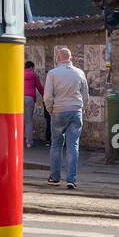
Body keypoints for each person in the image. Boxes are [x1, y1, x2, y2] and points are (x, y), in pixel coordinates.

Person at [44, 47, 89, 189]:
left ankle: (55, 177)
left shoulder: (52, 73)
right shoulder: (79, 73)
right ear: (70, 59)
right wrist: (81, 108)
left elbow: (47, 96)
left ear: (58, 58)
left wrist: (50, 109)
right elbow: (85, 95)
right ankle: (71, 179)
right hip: (75, 111)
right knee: (73, 145)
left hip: (58, 111)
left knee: (56, 144)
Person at [23, 60, 43, 148]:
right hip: (30, 99)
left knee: (19, 120)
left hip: (20, 98)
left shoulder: (19, 74)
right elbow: (39, 87)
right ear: (31, 67)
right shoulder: (33, 75)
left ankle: (18, 140)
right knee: (28, 121)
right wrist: (45, 97)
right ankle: (28, 142)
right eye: (33, 68)